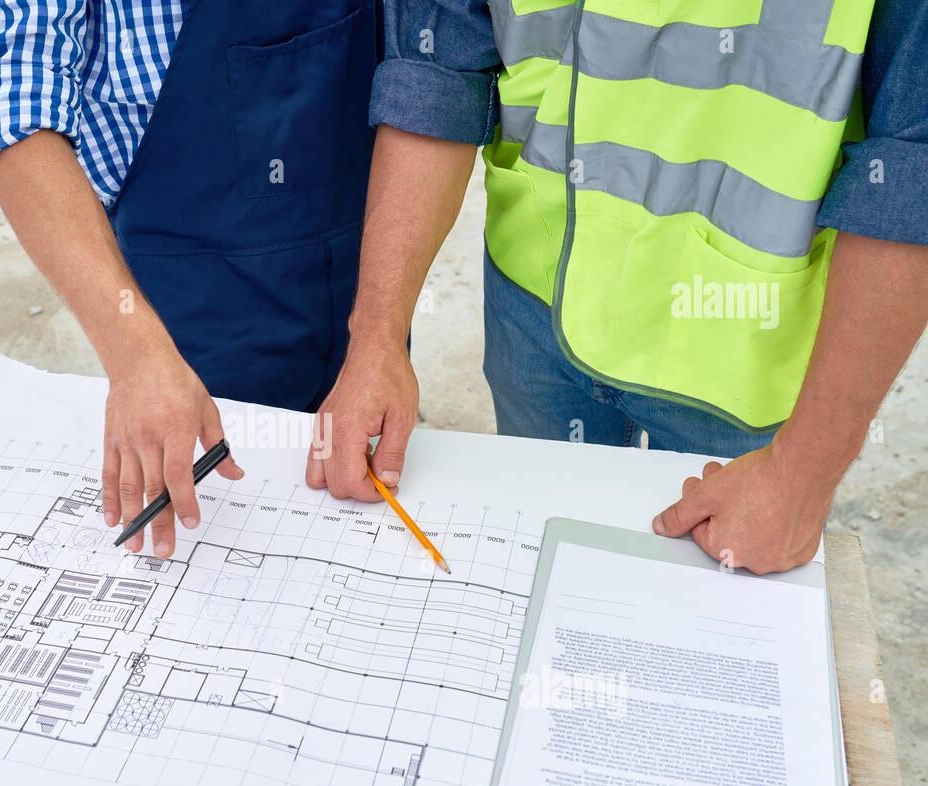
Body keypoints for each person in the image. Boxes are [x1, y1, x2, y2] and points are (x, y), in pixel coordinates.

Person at [310, 0, 928, 574]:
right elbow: (436, 70)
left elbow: (910, 168)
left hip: (740, 341)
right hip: (535, 304)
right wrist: (377, 334)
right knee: (539, 579)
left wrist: (803, 473)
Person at [0, 1, 380, 557]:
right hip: (192, 276)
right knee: (235, 546)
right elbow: (15, 90)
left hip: (369, 244)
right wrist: (137, 357)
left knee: (360, 525)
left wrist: (382, 330)